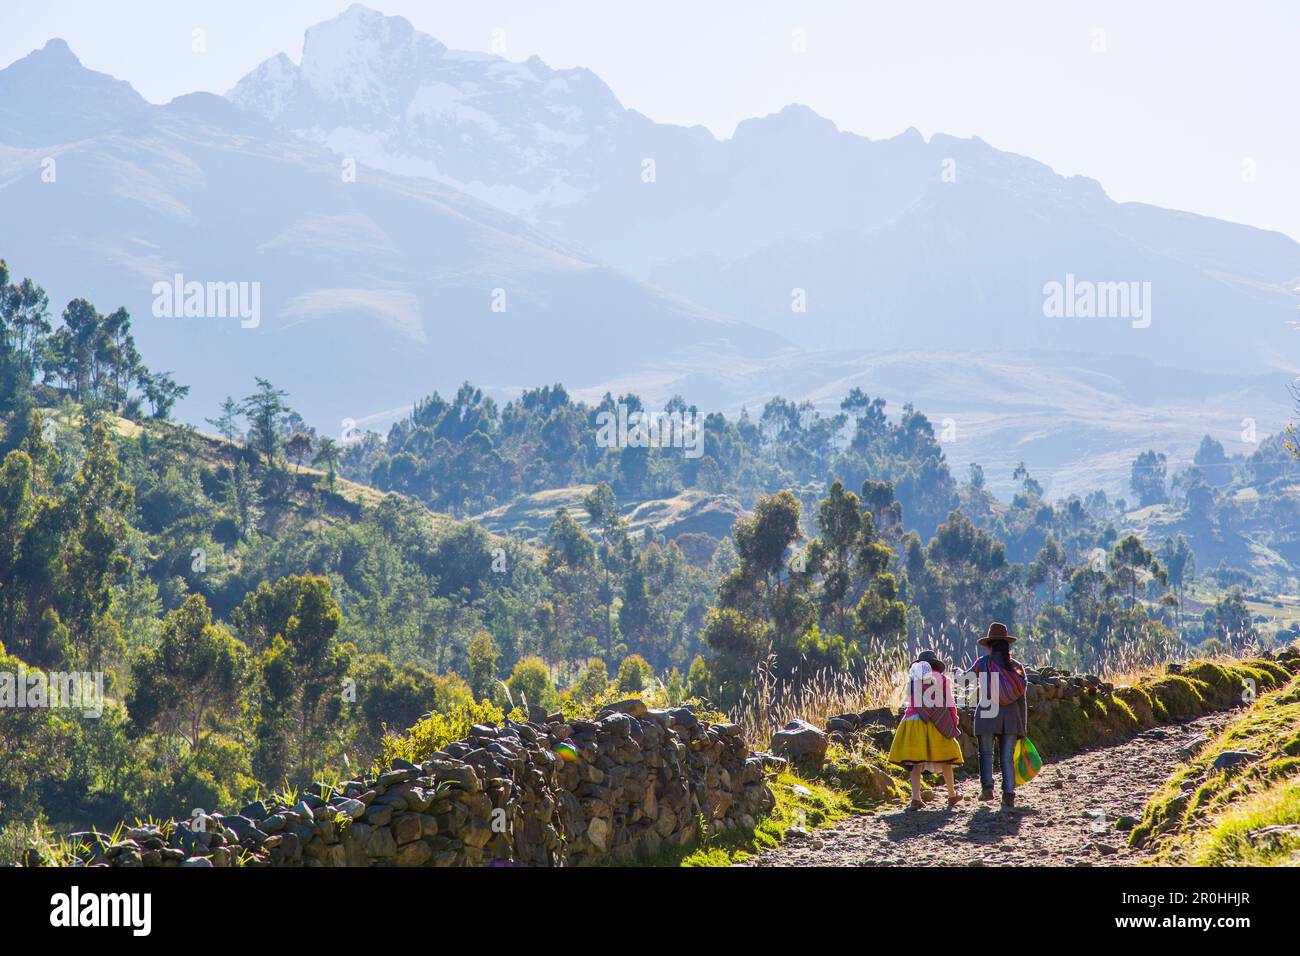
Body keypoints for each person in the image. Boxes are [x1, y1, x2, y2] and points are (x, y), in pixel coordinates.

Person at [888, 649, 964, 811]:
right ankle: (951, 794)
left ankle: (916, 798)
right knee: (947, 759)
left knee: (916, 761)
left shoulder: (913, 680)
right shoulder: (943, 679)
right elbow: (950, 703)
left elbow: (909, 703)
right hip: (937, 722)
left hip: (913, 722)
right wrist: (953, 721)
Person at [971, 622, 1028, 809]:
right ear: (1007, 646)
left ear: (989, 645)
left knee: (986, 753)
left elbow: (965, 680)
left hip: (988, 711)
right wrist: (1023, 726)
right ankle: (1009, 794)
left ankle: (987, 788)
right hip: (1011, 716)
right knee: (1007, 757)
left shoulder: (983, 664)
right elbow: (1022, 696)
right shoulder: (1017, 667)